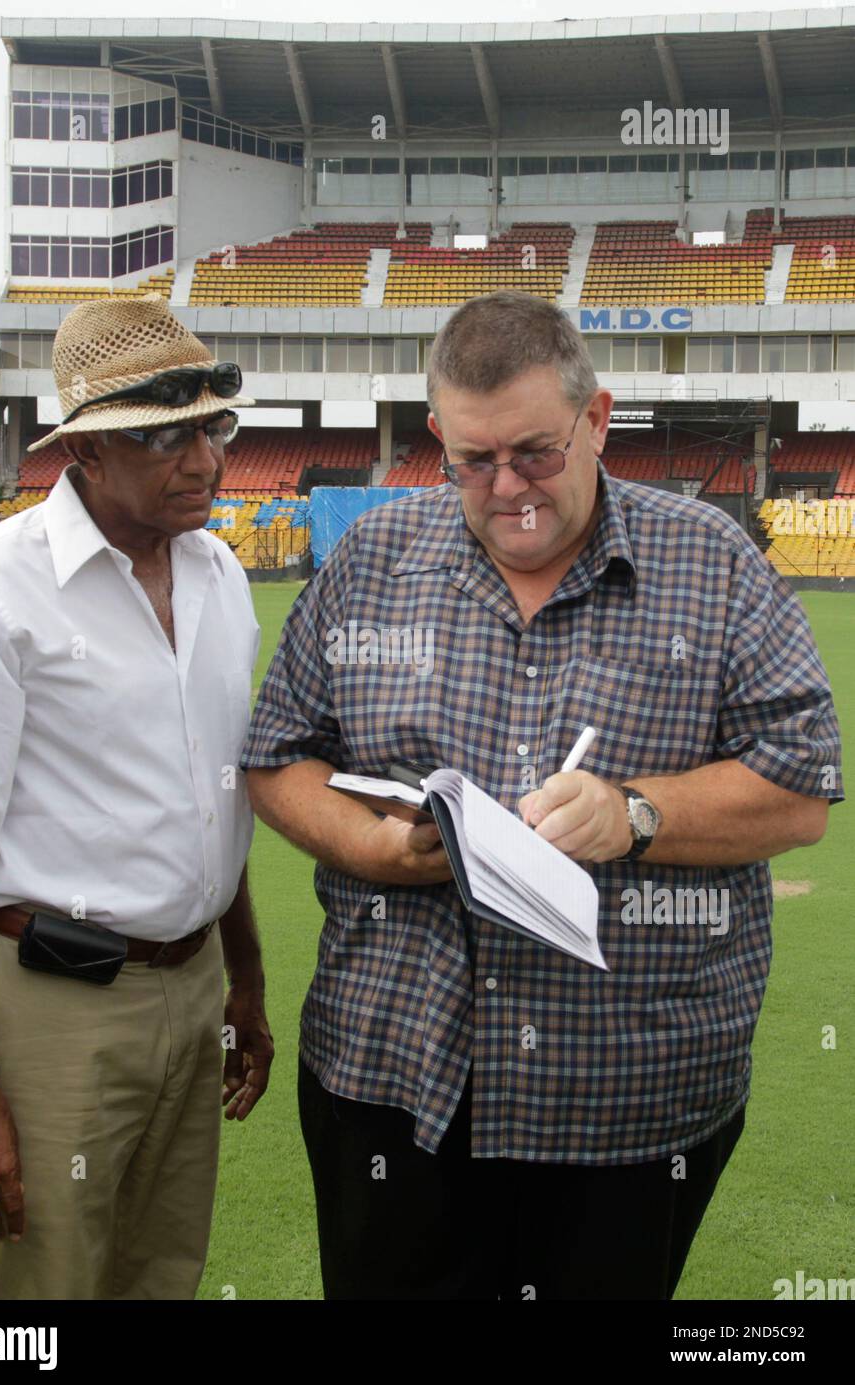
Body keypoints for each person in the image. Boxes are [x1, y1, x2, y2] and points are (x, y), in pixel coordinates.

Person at [241, 290, 843, 1301]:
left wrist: (634, 815)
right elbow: (274, 756)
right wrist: (373, 846)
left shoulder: (712, 563)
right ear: (435, 435)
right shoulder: (371, 564)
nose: (507, 488)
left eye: (536, 452)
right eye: (472, 461)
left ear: (597, 419)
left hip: (629, 1095)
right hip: (394, 1079)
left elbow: (799, 788)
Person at [0, 293, 274, 1300]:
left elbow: (213, 806)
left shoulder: (218, 576)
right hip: (47, 1010)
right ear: (84, 455)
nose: (203, 461)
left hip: (192, 990)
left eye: (213, 428)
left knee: (160, 1279)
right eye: (164, 437)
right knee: (43, 1298)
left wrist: (242, 979)